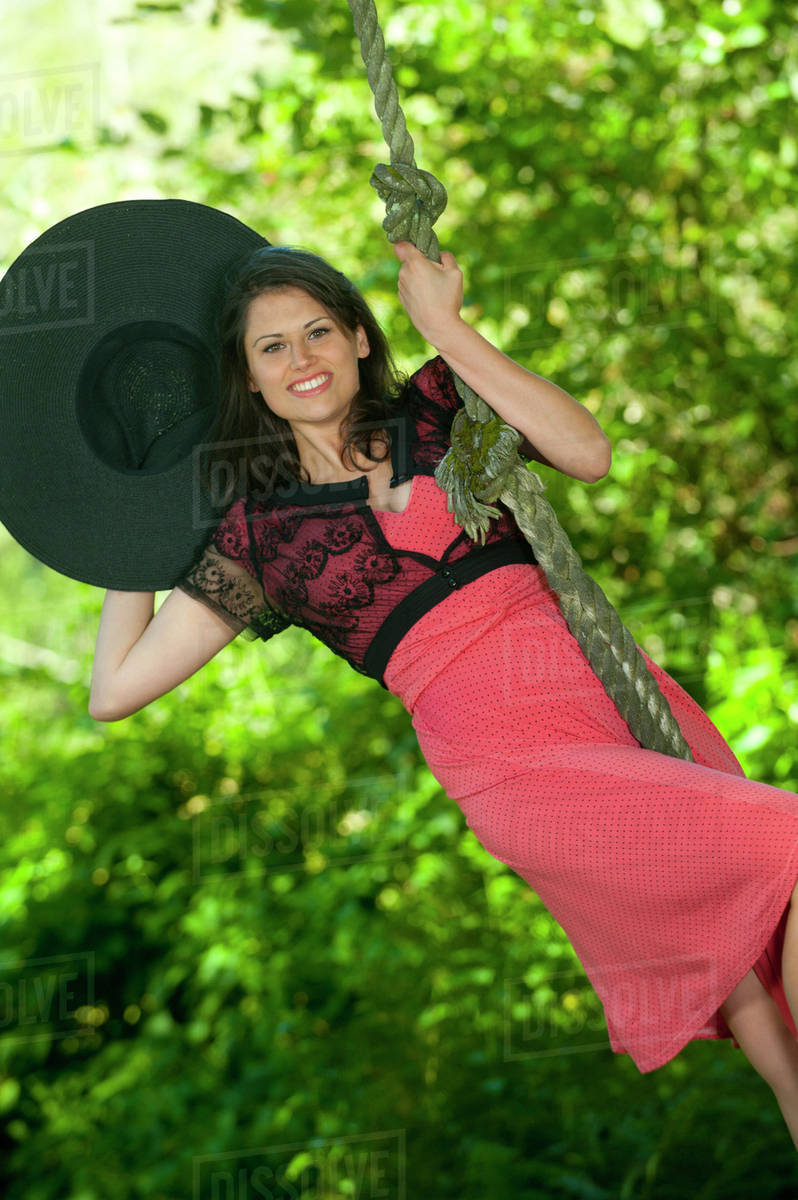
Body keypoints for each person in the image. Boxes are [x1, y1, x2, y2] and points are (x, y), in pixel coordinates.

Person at [88, 239, 798, 1147]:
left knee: (754, 983)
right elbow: (114, 689)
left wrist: (448, 328)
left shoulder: (440, 406)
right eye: (272, 348)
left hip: (605, 695)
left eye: (317, 332)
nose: (301, 360)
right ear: (249, 378)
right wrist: (115, 524)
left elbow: (586, 451)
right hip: (514, 770)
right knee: (782, 847)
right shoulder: (262, 537)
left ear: (355, 337)